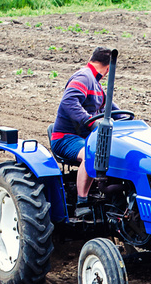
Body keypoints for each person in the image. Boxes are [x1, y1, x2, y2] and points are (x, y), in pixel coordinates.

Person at [50, 47, 118, 217]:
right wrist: (91, 122)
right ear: (108, 68)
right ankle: (82, 202)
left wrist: (133, 122)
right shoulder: (84, 76)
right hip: (66, 138)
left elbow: (112, 111)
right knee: (93, 155)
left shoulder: (97, 86)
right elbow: (69, 101)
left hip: (85, 139)